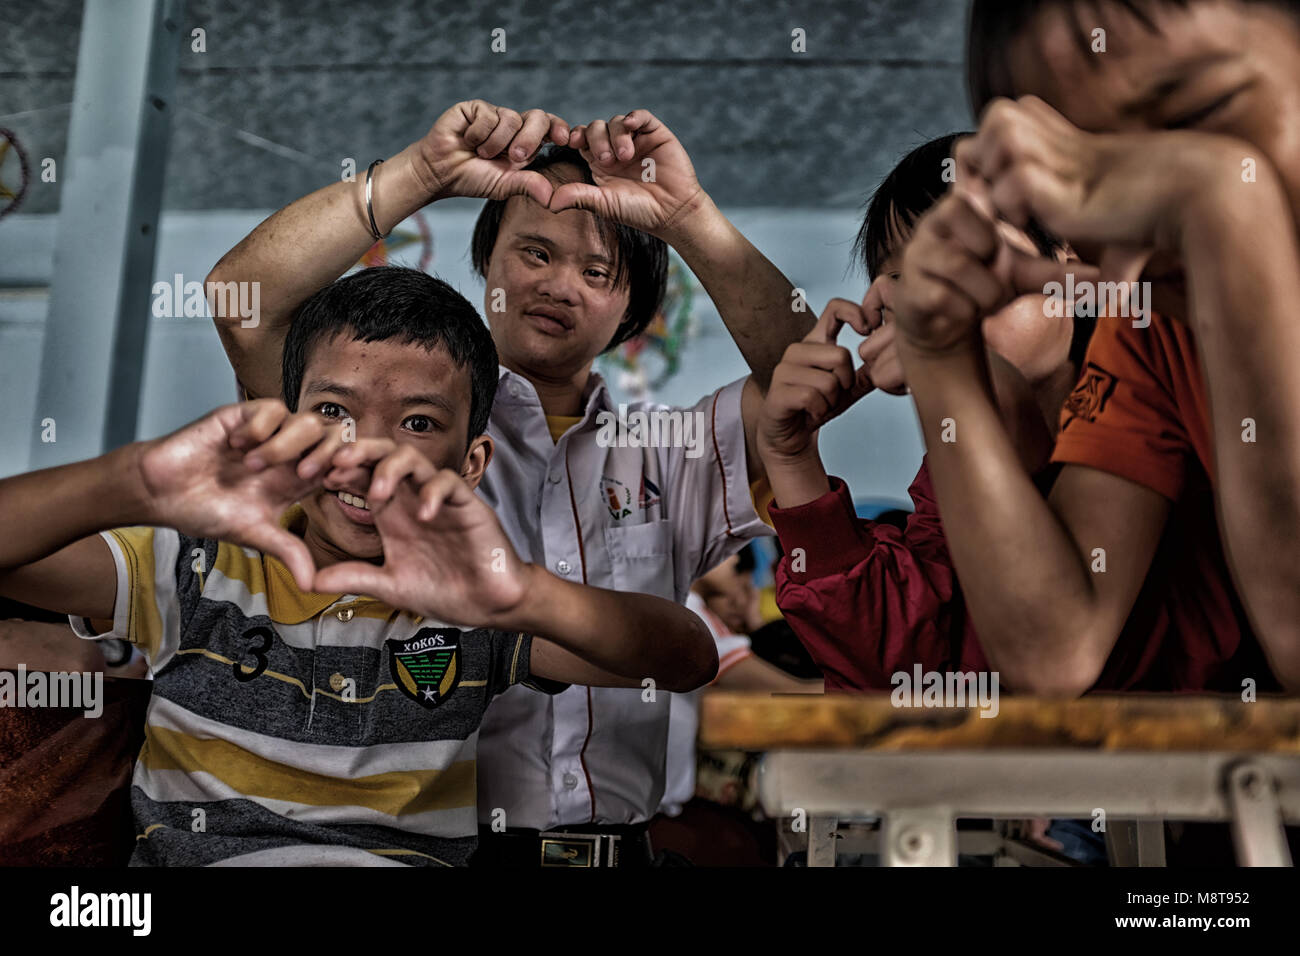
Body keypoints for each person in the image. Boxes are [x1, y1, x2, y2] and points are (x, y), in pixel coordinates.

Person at [206, 101, 806, 865]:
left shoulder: (673, 454)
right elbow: (242, 303)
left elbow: (805, 378)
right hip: (426, 853)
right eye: (533, 253)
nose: (561, 285)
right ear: (486, 261)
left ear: (633, 313)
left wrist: (687, 215)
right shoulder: (401, 442)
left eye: (598, 272)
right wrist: (420, 174)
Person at [0, 267, 717, 867]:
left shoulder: (476, 601)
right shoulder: (195, 567)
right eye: (335, 411)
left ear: (472, 466)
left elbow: (685, 659)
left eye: (418, 422)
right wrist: (132, 482)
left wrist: (526, 596)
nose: (367, 454)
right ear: (287, 424)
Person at [887, 0, 1300, 695]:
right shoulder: (1152, 332)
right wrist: (938, 354)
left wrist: (1223, 202)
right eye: (1098, 181)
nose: (1150, 212)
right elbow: (1054, 647)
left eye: (1203, 121)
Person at [758, 134, 1086, 691]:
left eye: (972, 263)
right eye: (906, 282)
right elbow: (895, 673)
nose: (937, 305)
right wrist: (791, 460)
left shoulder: (1161, 400)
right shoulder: (951, 471)